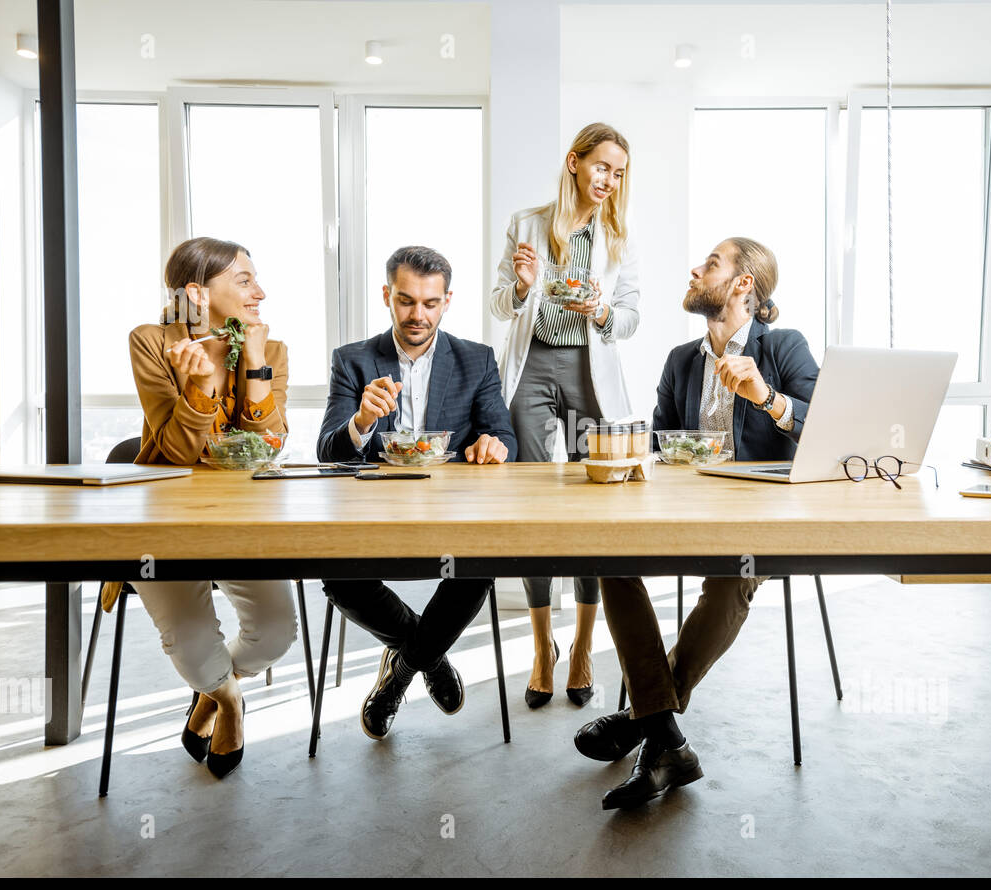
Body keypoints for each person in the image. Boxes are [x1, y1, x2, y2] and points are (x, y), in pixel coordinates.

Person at [573, 237, 820, 809]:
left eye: (711, 263)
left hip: (761, 517)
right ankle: (665, 737)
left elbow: (819, 430)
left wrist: (767, 397)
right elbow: (658, 447)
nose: (695, 268)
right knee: (610, 560)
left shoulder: (783, 347)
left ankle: (647, 722)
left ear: (742, 285)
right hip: (684, 512)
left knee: (734, 577)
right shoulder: (681, 361)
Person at [318, 245, 516, 740]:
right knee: (337, 574)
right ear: (387, 296)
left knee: (479, 565)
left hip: (452, 512)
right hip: (371, 512)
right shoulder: (353, 361)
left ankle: (400, 672)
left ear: (447, 301)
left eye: (430, 303)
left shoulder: (476, 359)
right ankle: (429, 656)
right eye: (406, 301)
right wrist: (362, 420)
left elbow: (504, 435)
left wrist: (495, 446)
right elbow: (328, 452)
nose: (417, 315)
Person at [127, 236, 298, 779]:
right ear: (198, 292)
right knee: (195, 649)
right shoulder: (153, 343)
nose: (260, 292)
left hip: (240, 519)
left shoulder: (270, 350)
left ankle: (210, 697)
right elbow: (175, 452)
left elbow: (269, 445)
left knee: (275, 633)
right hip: (162, 521)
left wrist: (251, 363)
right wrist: (201, 388)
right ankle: (226, 701)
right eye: (244, 281)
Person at [489, 122, 639, 709]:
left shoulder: (619, 236)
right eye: (602, 166)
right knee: (530, 502)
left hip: (587, 371)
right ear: (575, 162)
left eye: (619, 172)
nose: (609, 180)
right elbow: (500, 304)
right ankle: (539, 647)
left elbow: (630, 318)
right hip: (532, 371)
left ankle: (580, 646)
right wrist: (524, 287)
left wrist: (603, 309)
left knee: (591, 503)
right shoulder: (527, 224)